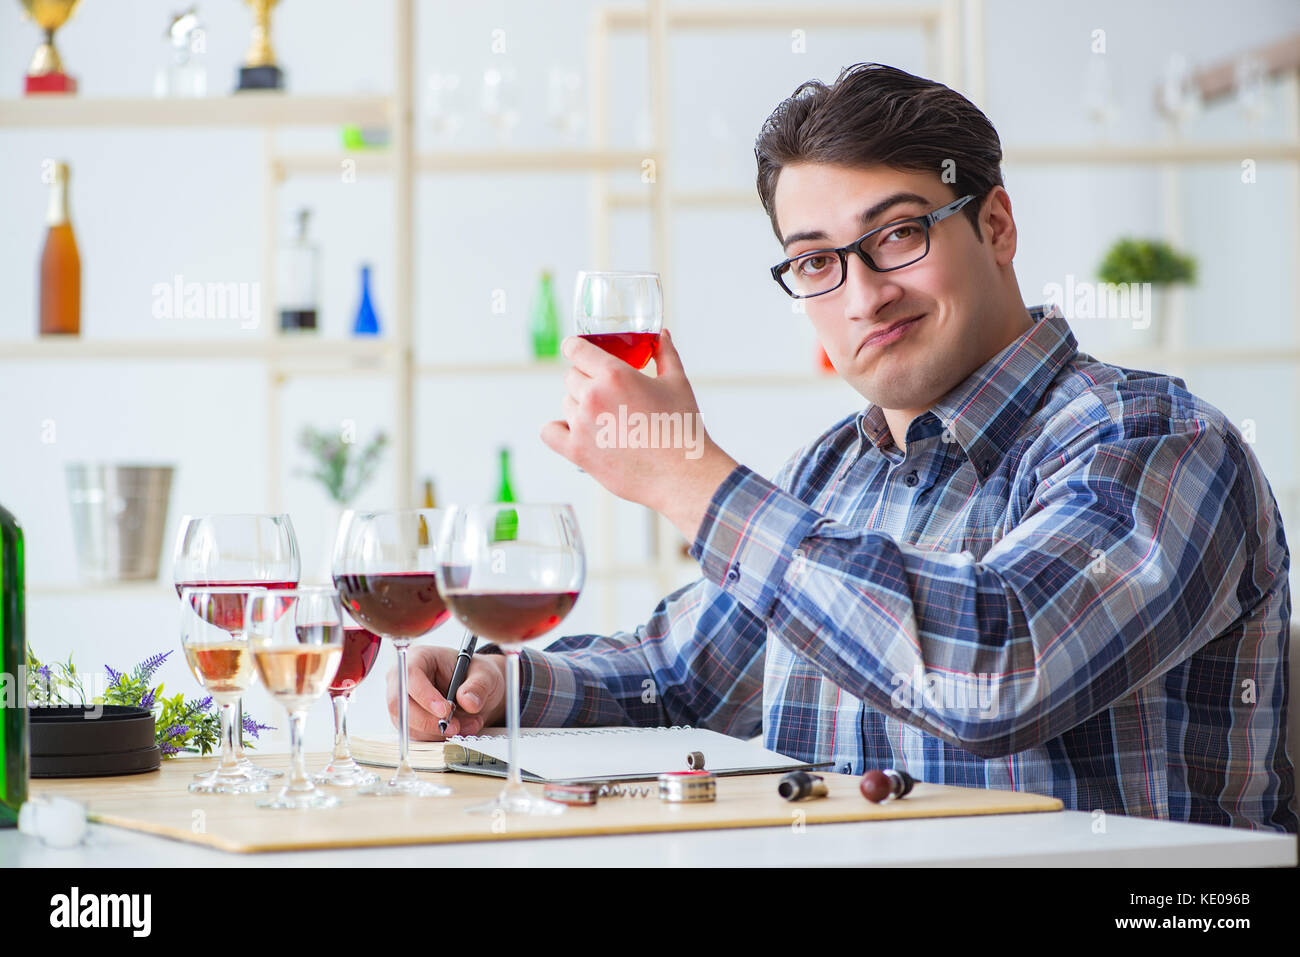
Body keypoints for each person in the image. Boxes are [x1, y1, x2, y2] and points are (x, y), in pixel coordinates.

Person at [391, 62, 1296, 833]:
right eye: (817, 260)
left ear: (997, 226)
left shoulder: (1156, 439)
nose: (862, 295)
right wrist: (501, 686)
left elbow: (999, 671)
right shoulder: (834, 470)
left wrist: (692, 481)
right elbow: (681, 674)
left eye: (897, 234)